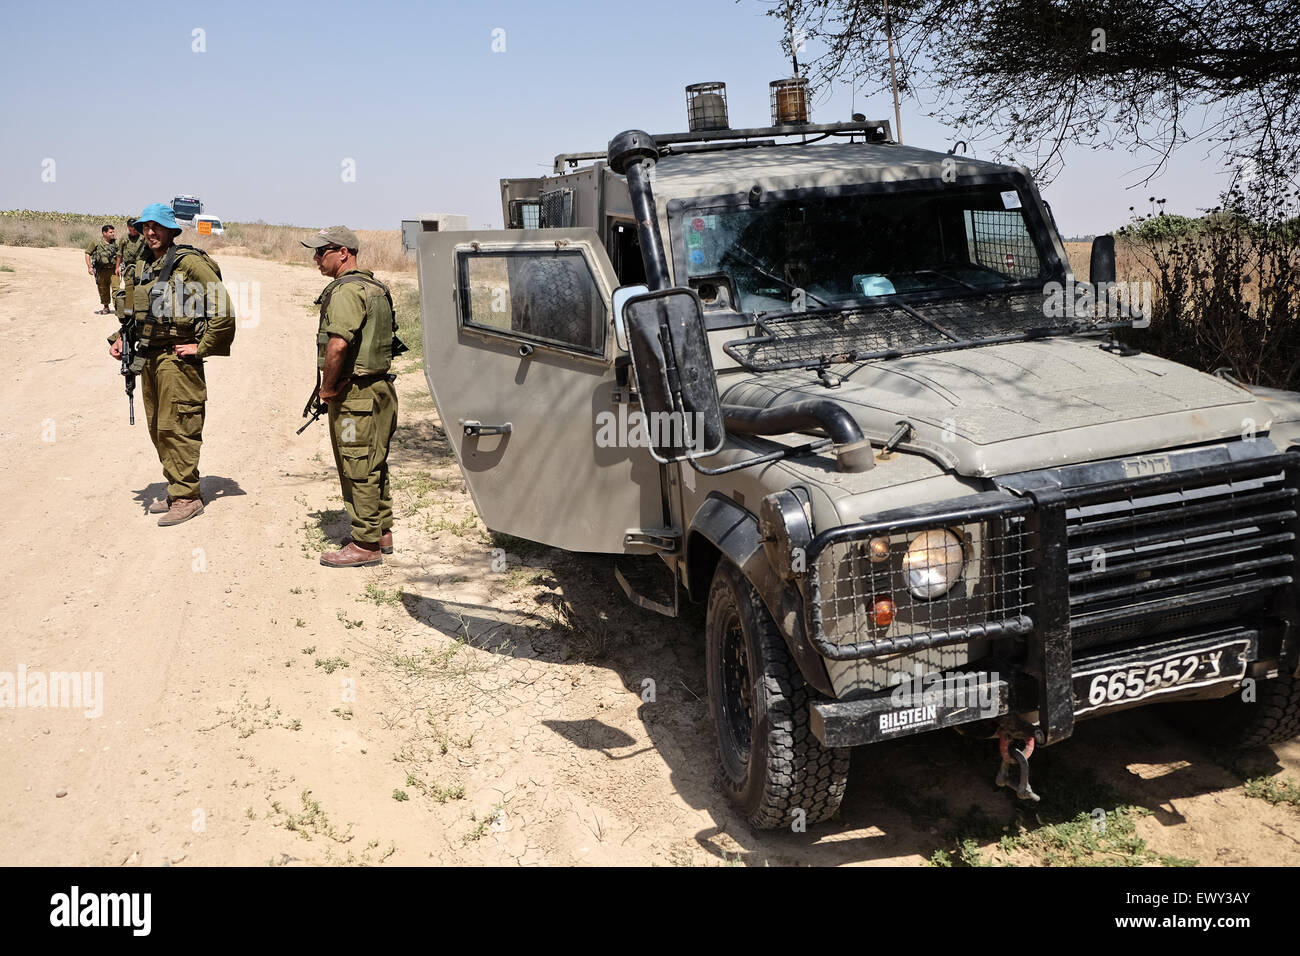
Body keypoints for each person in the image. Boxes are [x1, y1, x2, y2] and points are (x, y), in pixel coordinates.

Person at [107, 203, 236, 526]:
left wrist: (202, 347)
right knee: (159, 428)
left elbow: (223, 311)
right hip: (149, 356)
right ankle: (179, 486)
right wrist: (119, 338)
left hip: (178, 360)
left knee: (178, 426)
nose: (150, 233)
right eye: (145, 227)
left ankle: (188, 497)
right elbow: (139, 312)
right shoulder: (144, 265)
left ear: (171, 231)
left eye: (157, 227)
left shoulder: (188, 264)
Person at [301, 226, 398, 567]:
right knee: (374, 461)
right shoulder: (376, 288)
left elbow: (338, 345)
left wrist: (327, 389)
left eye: (320, 251)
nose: (315, 258)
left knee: (357, 465)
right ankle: (381, 531)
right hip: (381, 389)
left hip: (356, 395)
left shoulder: (346, 291)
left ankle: (365, 543)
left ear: (343, 252)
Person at [84, 224, 119, 314]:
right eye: (111, 232)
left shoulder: (115, 243)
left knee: (116, 289)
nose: (113, 234)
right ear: (104, 233)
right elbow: (88, 253)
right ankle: (106, 307)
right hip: (101, 270)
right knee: (103, 289)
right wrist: (89, 267)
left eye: (113, 232)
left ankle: (118, 308)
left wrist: (119, 266)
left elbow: (120, 254)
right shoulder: (96, 242)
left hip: (113, 270)